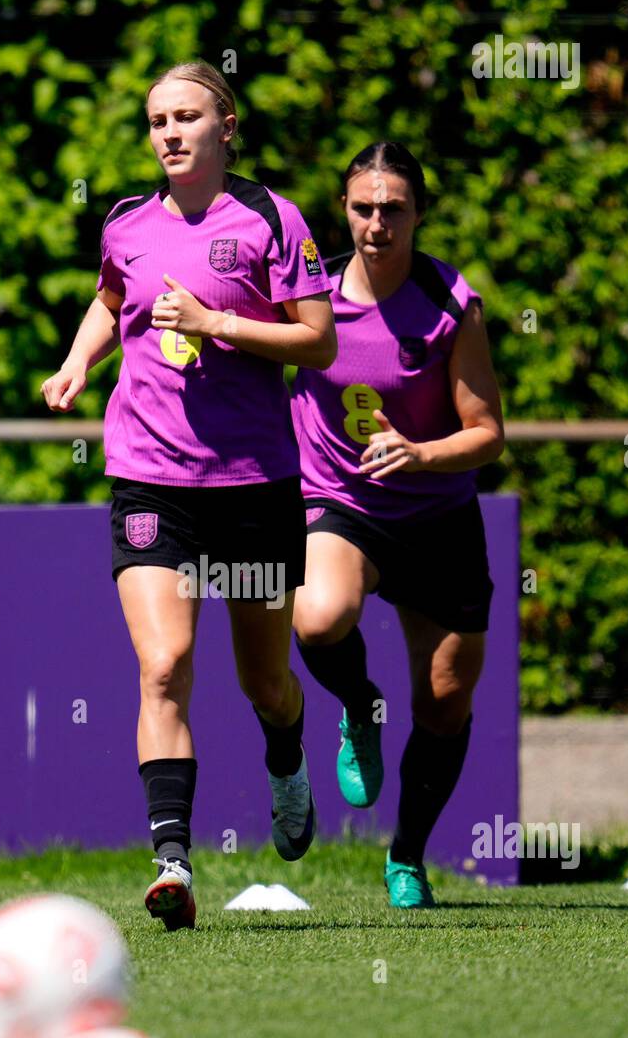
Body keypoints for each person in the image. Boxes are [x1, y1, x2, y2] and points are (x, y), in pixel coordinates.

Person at [41, 61, 336, 930]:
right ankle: (172, 858)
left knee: (265, 680)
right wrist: (75, 361)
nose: (170, 133)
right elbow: (109, 299)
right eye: (157, 120)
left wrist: (220, 326)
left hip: (252, 486)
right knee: (163, 665)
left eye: (188, 118)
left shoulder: (272, 220)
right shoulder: (127, 222)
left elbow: (316, 342)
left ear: (227, 126)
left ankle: (288, 752)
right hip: (147, 476)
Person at [291, 142, 504, 909]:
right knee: (318, 619)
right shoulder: (306, 294)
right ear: (343, 211)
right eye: (362, 208)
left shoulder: (452, 303)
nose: (377, 223)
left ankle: (407, 855)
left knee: (446, 700)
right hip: (341, 501)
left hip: (438, 512)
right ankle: (357, 708)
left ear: (419, 213)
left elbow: (486, 432)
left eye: (394, 209)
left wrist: (421, 453)